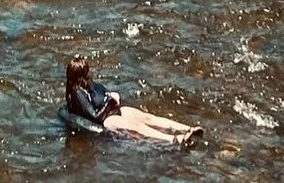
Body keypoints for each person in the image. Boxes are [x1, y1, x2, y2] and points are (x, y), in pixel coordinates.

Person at [63, 57, 201, 145]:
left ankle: (187, 129)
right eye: (86, 72)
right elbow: (95, 116)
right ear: (80, 75)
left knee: (148, 117)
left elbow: (100, 95)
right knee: (138, 127)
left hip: (113, 111)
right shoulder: (77, 94)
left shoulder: (89, 85)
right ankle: (175, 139)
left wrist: (110, 95)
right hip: (107, 120)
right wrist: (110, 101)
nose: (89, 74)